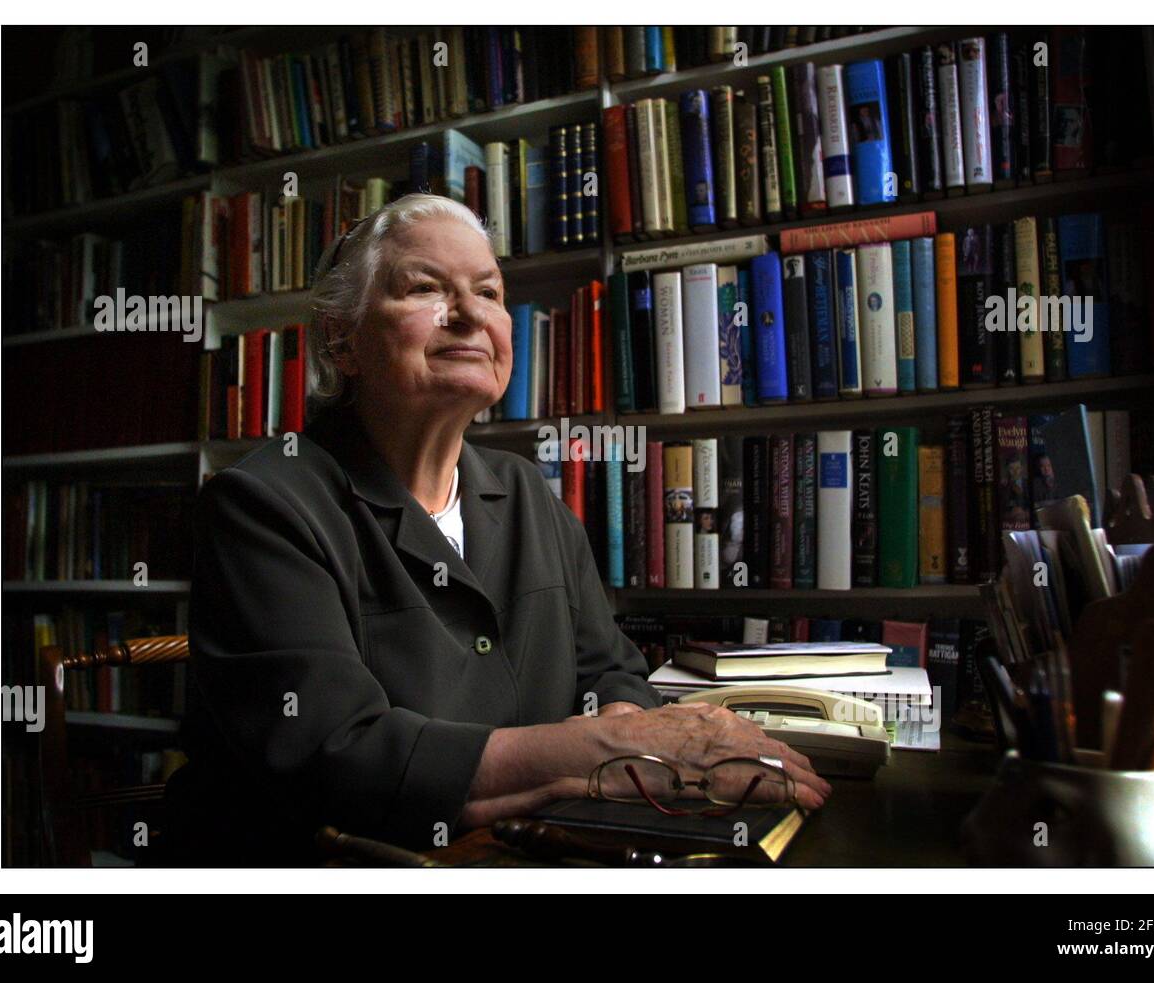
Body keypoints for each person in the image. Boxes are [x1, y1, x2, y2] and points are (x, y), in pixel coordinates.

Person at [164, 194, 830, 864]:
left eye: (488, 291)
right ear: (343, 339)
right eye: (426, 287)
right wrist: (610, 750)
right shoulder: (262, 504)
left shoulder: (526, 495)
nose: (470, 314)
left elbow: (613, 672)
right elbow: (336, 756)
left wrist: (630, 730)